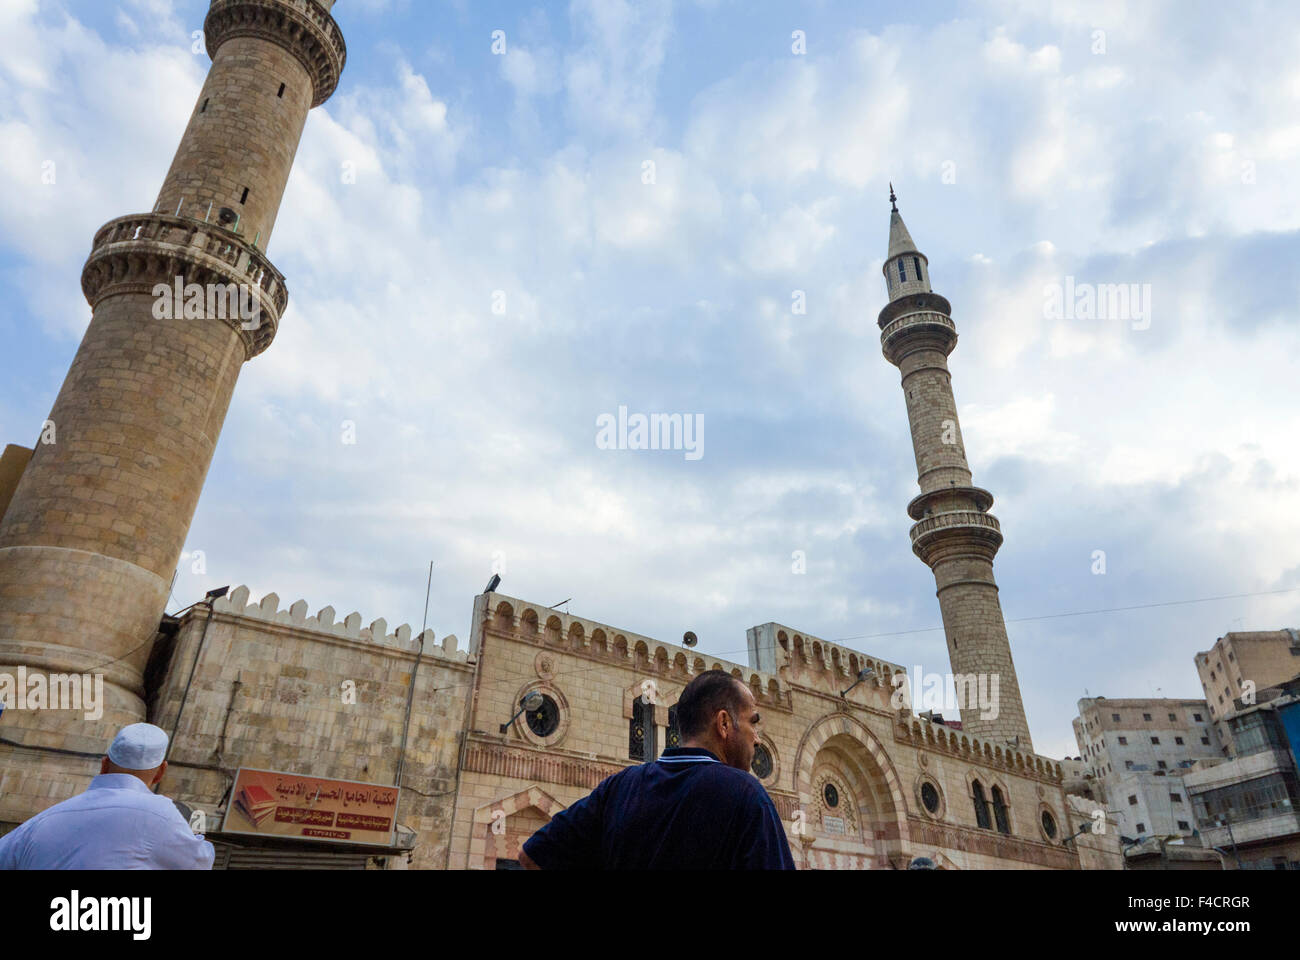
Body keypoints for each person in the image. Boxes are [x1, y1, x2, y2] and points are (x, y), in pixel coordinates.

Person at [519, 669, 795, 869]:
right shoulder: (746, 796)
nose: (756, 738)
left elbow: (532, 857)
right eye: (752, 722)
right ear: (723, 723)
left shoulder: (620, 787)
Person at [0, 722, 215, 869]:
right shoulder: (162, 814)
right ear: (160, 772)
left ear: (104, 765)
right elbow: (200, 862)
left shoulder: (42, 820)